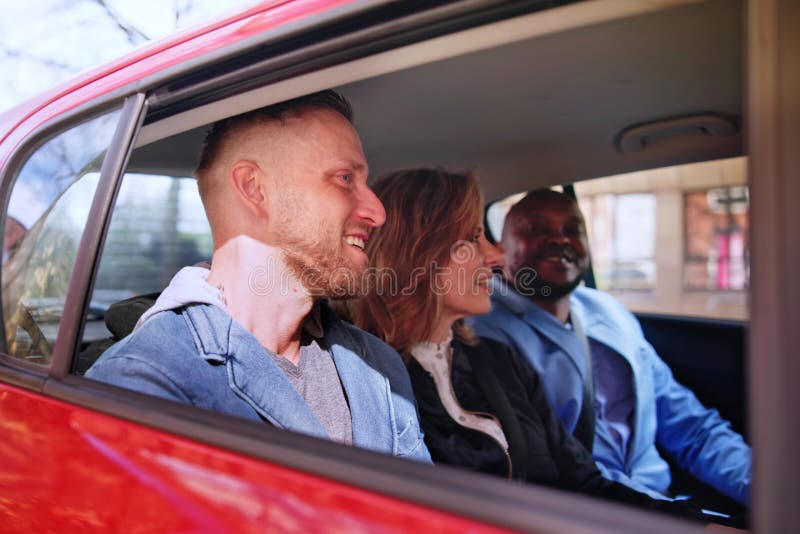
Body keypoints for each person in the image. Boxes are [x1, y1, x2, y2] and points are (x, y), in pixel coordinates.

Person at [87, 91, 431, 463]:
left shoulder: (380, 365)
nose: (378, 212)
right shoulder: (145, 383)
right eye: (345, 178)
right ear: (255, 189)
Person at [344, 168, 706, 518]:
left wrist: (693, 524)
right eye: (474, 238)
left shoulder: (495, 359)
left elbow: (582, 481)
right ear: (419, 252)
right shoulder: (366, 375)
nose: (495, 255)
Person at [470, 188, 751, 506]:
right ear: (500, 247)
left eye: (573, 229)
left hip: (661, 501)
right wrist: (682, 519)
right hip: (587, 511)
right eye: (536, 228)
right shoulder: (483, 332)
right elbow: (554, 469)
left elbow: (692, 428)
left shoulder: (610, 312)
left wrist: (769, 489)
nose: (560, 239)